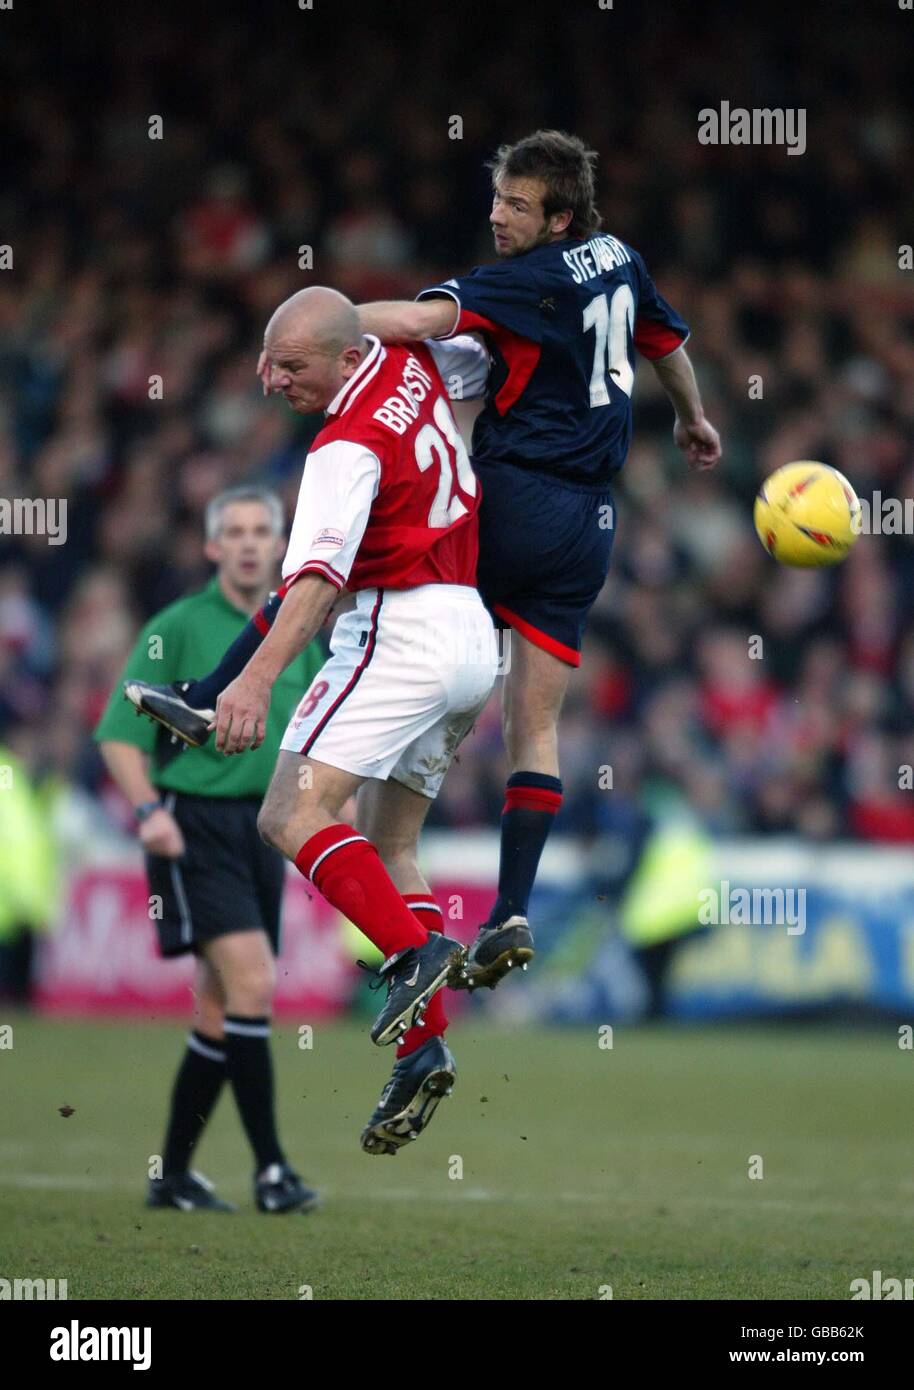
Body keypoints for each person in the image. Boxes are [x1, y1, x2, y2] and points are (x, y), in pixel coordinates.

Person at [129, 129, 721, 999]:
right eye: (497, 199)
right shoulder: (622, 259)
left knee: (356, 566)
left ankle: (217, 688)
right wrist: (693, 419)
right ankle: (507, 912)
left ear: (560, 216)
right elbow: (666, 344)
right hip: (593, 520)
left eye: (517, 205)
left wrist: (326, 331)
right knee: (533, 729)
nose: (498, 216)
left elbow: (409, 322)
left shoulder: (524, 281)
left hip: (512, 505)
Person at [131, 285, 498, 1155]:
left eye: (289, 366)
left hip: (398, 630)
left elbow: (318, 586)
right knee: (395, 844)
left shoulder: (342, 446)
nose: (269, 381)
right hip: (473, 638)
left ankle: (415, 956)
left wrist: (253, 688)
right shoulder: (410, 363)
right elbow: (485, 355)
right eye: (265, 361)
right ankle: (423, 1046)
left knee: (289, 812)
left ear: (340, 356)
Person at [95, 486, 324, 1211]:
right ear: (212, 546)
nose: (251, 543)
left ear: (282, 544)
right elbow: (120, 734)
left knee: (220, 1011)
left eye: (263, 531)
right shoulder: (178, 626)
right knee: (254, 984)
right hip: (194, 824)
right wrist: (145, 813)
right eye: (236, 531)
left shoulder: (298, 628)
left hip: (264, 830)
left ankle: (173, 1177)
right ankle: (273, 1172)